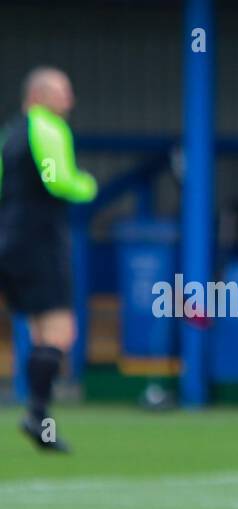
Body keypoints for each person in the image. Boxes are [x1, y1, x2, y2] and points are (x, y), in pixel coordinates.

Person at [0, 67, 98, 452]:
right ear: (40, 96)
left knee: (40, 332)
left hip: (7, 239)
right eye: (64, 93)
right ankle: (38, 416)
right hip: (38, 241)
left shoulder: (9, 134)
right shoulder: (48, 128)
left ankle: (41, 423)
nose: (69, 101)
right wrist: (85, 185)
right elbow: (56, 177)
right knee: (60, 332)